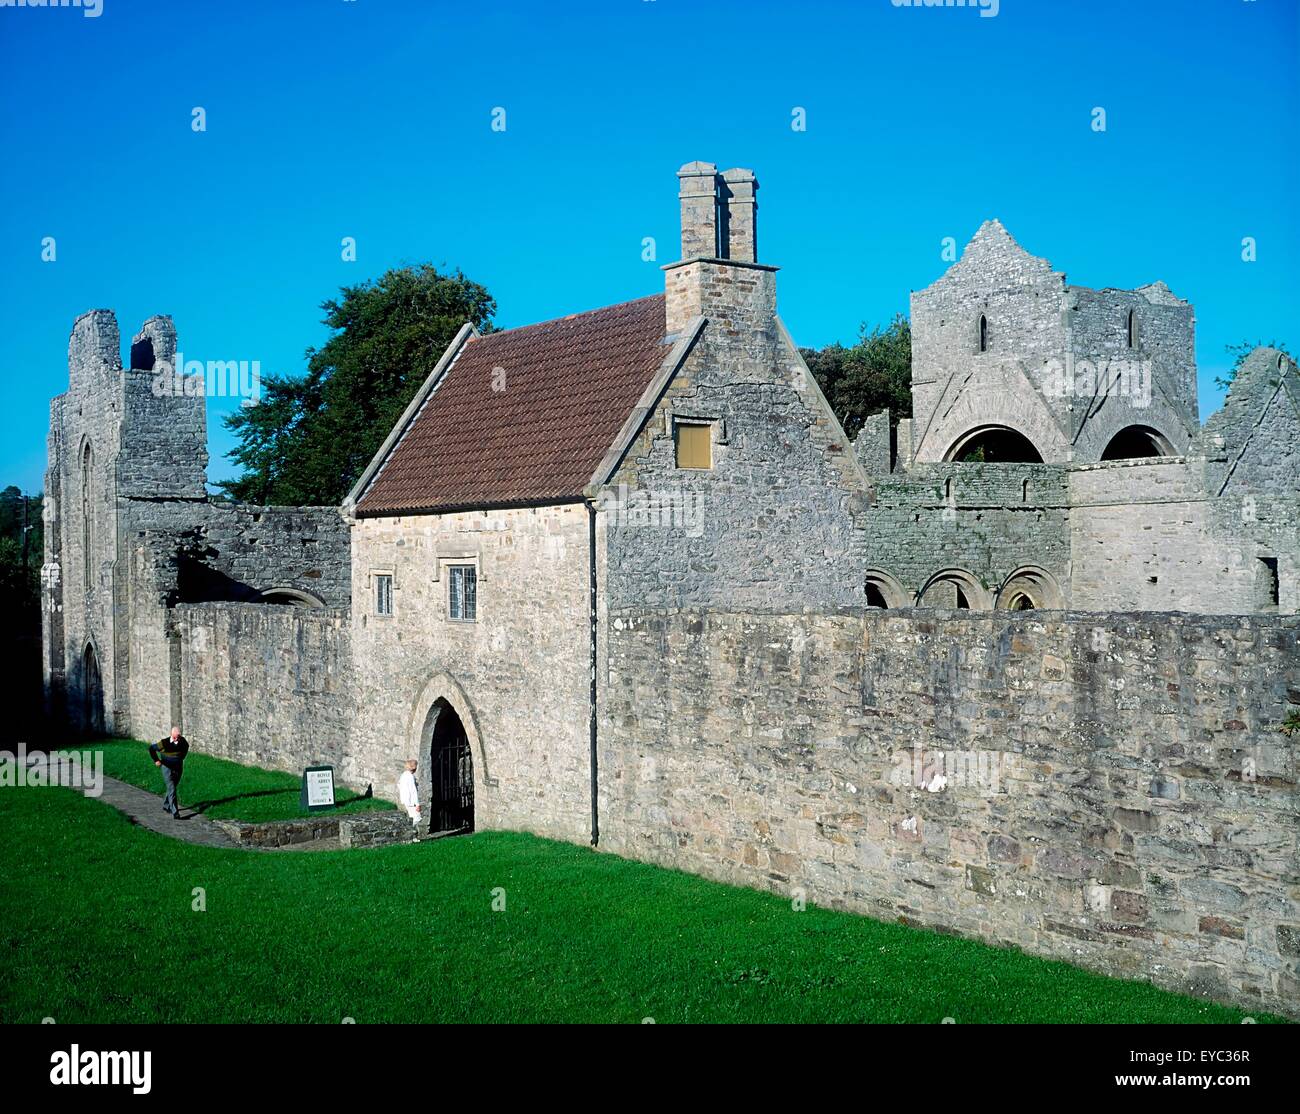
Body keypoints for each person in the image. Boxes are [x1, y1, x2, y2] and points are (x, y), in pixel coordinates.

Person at [149, 727, 189, 819]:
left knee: (173, 787)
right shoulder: (164, 743)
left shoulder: (183, 742)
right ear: (171, 734)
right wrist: (156, 760)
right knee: (172, 788)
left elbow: (186, 748)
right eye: (175, 737)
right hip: (166, 767)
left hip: (178, 768)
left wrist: (180, 758)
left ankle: (166, 805)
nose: (177, 739)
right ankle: (175, 812)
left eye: (178, 737)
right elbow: (151, 748)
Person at [398, 759, 422, 829]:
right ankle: (407, 831)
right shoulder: (410, 777)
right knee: (417, 818)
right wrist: (417, 804)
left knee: (412, 817)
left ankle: (412, 836)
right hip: (411, 801)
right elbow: (413, 791)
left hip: (405, 799)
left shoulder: (404, 774)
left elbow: (399, 784)